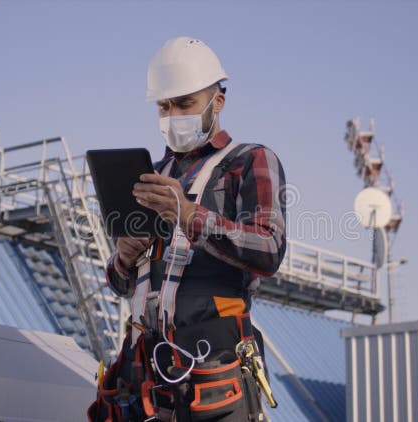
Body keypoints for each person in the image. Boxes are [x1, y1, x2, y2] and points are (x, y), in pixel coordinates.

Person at [89, 37, 287, 421]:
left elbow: (269, 249)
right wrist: (124, 258)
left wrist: (189, 215)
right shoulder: (149, 177)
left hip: (214, 363)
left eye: (184, 103)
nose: (172, 115)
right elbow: (121, 284)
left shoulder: (249, 161)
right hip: (143, 372)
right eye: (164, 106)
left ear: (218, 102)